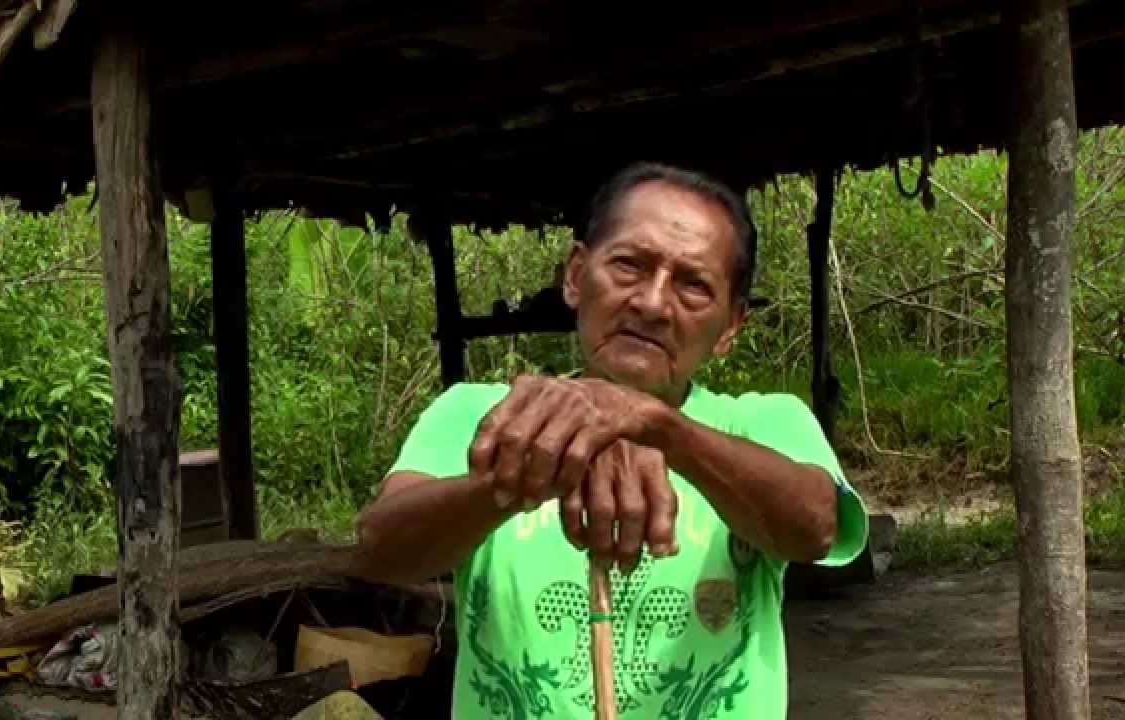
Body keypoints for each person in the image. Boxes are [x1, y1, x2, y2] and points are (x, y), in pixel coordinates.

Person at [352, 162, 868, 719]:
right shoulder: (479, 414)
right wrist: (531, 469)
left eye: (693, 285)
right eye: (629, 265)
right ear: (575, 275)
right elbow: (381, 550)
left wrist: (657, 428)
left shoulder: (765, 423)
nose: (652, 303)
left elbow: (815, 528)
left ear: (732, 326)